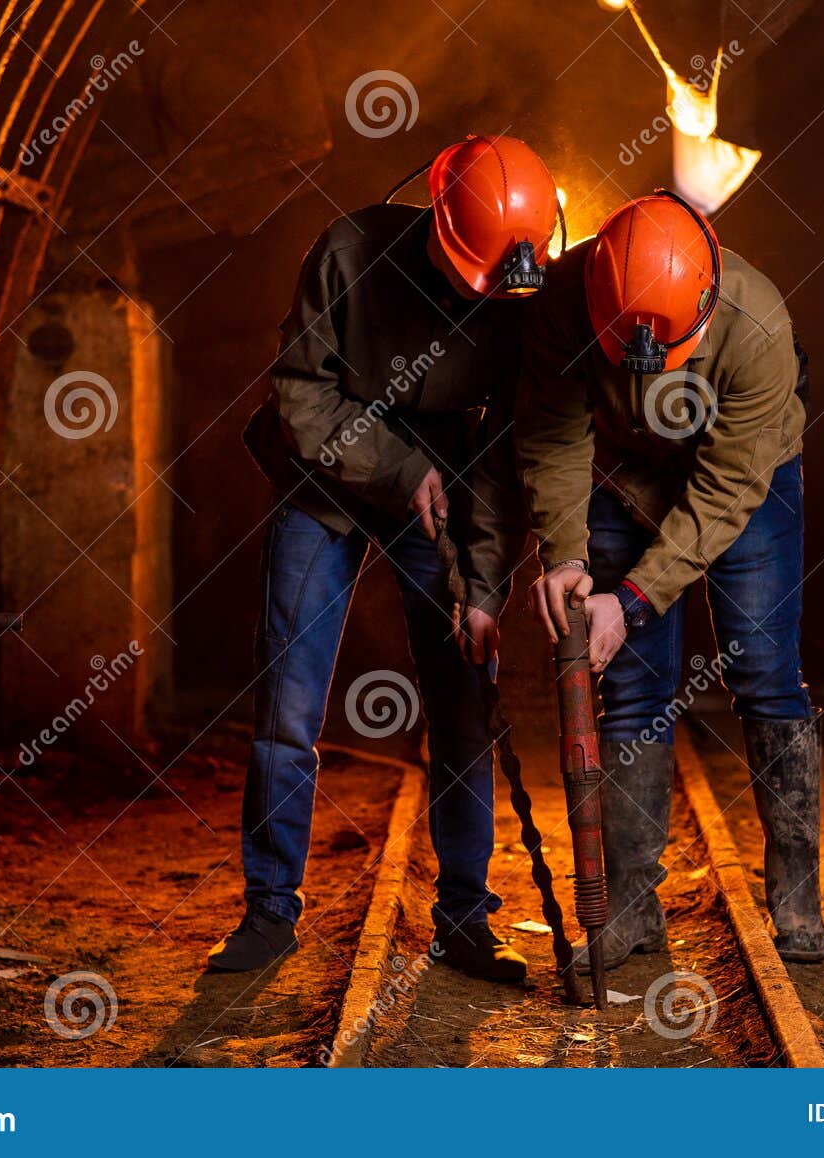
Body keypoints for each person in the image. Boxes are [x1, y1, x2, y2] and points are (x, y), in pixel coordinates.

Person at [208, 135, 559, 982]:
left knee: (462, 697)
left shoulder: (518, 291)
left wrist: (482, 590)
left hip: (442, 484)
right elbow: (300, 390)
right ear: (439, 224)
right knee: (291, 704)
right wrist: (399, 469)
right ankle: (269, 912)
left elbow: (502, 457)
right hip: (322, 479)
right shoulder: (348, 251)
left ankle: (466, 919)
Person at [514, 191, 824, 968]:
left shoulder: (759, 328)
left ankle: (796, 900)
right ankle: (627, 911)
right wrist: (567, 556)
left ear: (707, 304)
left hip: (741, 483)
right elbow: (553, 432)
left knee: (764, 673)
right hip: (622, 476)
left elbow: (723, 492)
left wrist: (635, 597)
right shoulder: (565, 296)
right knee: (632, 685)